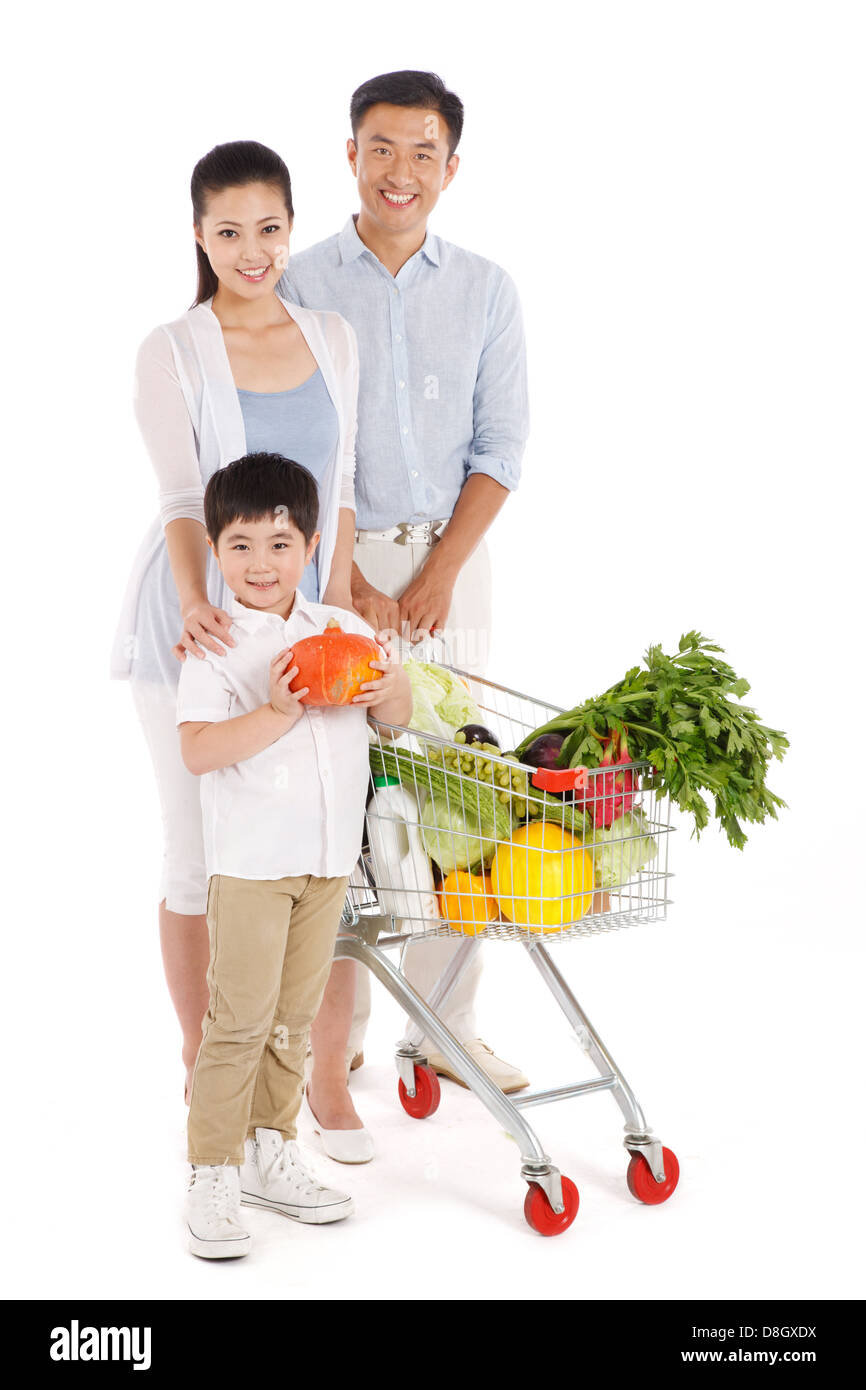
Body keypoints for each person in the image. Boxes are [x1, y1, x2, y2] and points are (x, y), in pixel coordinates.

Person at [277, 70, 532, 1132]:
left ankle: (442, 1020)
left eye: (423, 153)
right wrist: (348, 578)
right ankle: (321, 1045)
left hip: (449, 565)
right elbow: (283, 444)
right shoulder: (293, 281)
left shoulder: (484, 288)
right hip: (329, 571)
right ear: (349, 155)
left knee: (461, 789)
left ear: (450, 168)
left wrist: (434, 574)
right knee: (340, 795)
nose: (402, 172)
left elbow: (500, 446)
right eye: (382, 149)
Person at [110, 141, 370, 1142]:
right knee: (199, 851)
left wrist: (339, 605)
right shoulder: (170, 347)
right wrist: (195, 601)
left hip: (304, 630)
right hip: (200, 625)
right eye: (227, 232)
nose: (250, 251)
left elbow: (339, 485)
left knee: (314, 850)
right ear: (197, 234)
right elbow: (182, 498)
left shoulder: (333, 335)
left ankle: (303, 1071)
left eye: (268, 228)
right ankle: (200, 1059)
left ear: (290, 226)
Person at [179, 451, 411, 1258]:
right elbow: (200, 751)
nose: (261, 563)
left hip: (325, 862)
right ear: (216, 553)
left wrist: (391, 691)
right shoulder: (213, 644)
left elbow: (394, 718)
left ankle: (269, 1152)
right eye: (240, 545)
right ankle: (211, 1168)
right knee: (237, 1022)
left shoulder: (341, 630)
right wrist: (279, 709)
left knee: (293, 1022)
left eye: (279, 544)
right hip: (250, 865)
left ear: (311, 547)